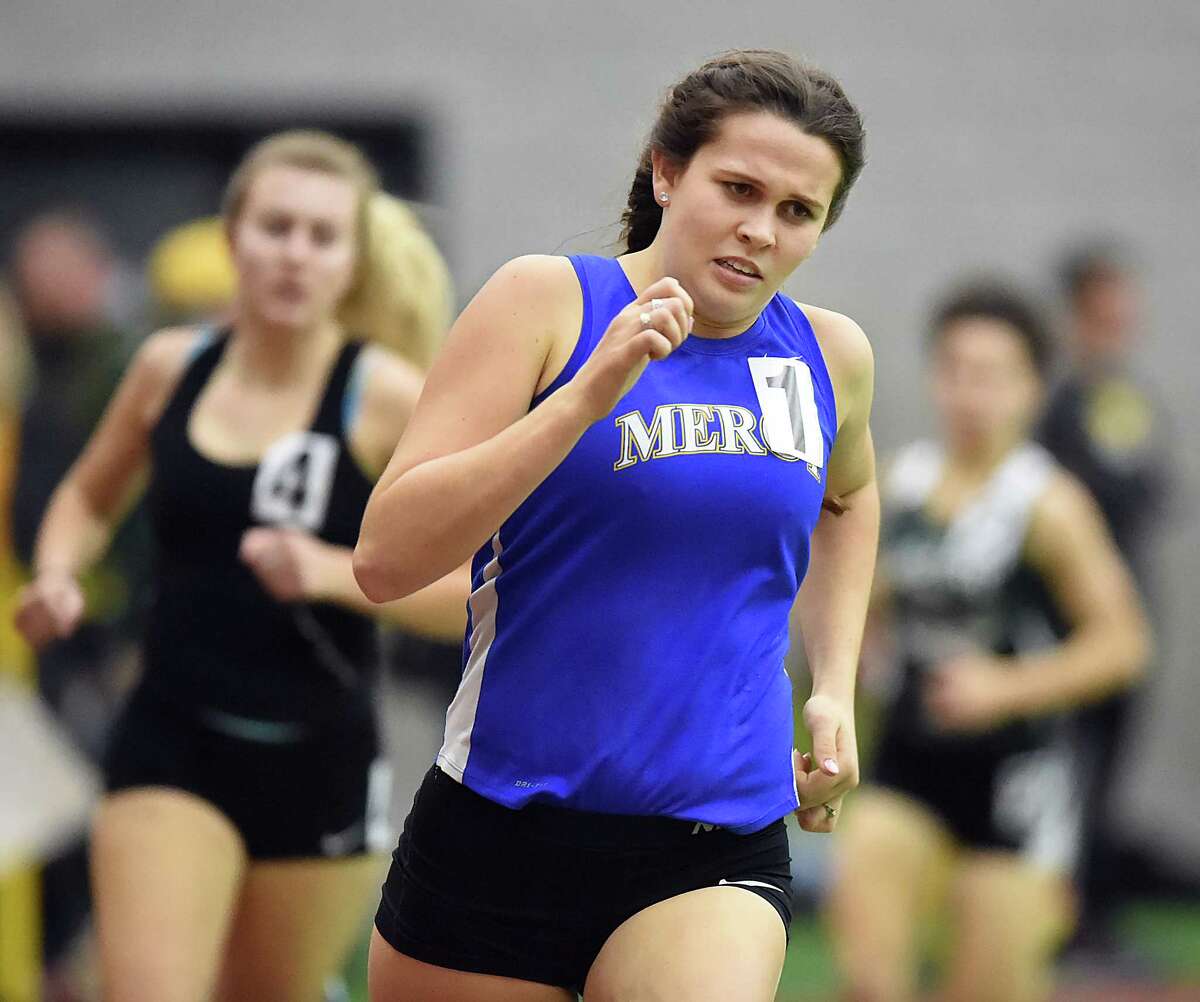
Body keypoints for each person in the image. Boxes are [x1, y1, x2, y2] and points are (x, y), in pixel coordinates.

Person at [355, 49, 877, 1002]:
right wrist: (584, 397)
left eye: (797, 212)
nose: (759, 230)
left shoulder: (828, 356)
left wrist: (832, 684)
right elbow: (387, 559)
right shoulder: (546, 300)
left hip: (714, 836)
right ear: (666, 171)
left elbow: (851, 497)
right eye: (738, 188)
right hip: (501, 823)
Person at [14, 130, 468, 1002]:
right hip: (169, 738)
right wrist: (62, 573)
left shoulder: (386, 397)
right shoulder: (166, 369)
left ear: (351, 259)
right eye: (276, 227)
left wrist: (335, 572)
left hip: (319, 758)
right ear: (233, 240)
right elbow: (86, 498)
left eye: (321, 235)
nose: (296, 254)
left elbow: (482, 594)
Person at [826, 283, 1150, 1002]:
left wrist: (1008, 687)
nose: (971, 395)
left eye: (994, 376)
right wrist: (847, 668)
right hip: (907, 766)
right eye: (956, 371)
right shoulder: (902, 487)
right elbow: (849, 606)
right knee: (869, 970)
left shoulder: (1047, 504)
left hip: (1017, 787)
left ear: (1032, 388)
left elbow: (1124, 643)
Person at [1036, 243, 1173, 940]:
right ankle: (1064, 919)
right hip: (1071, 623)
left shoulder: (1128, 398)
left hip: (1132, 613)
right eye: (1109, 300)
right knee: (1065, 772)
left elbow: (1155, 490)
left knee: (1109, 771)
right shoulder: (1062, 402)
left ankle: (1097, 917)